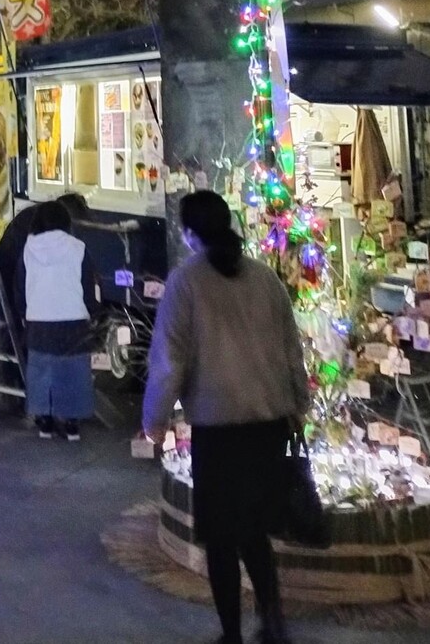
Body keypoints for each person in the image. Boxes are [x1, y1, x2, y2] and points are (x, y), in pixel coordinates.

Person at [143, 191, 309, 644]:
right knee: (254, 532)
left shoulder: (186, 282)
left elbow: (169, 361)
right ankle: (273, 623)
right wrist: (299, 405)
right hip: (268, 426)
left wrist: (155, 420)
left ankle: (231, 634)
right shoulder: (265, 279)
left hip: (218, 431)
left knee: (220, 539)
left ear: (189, 233)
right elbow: (291, 349)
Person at [15, 199, 99, 441]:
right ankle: (71, 423)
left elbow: (20, 288)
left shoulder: (28, 249)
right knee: (74, 371)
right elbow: (88, 287)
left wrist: (25, 314)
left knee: (41, 371)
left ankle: (45, 421)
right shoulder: (78, 248)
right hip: (74, 322)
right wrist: (93, 313)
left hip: (38, 323)